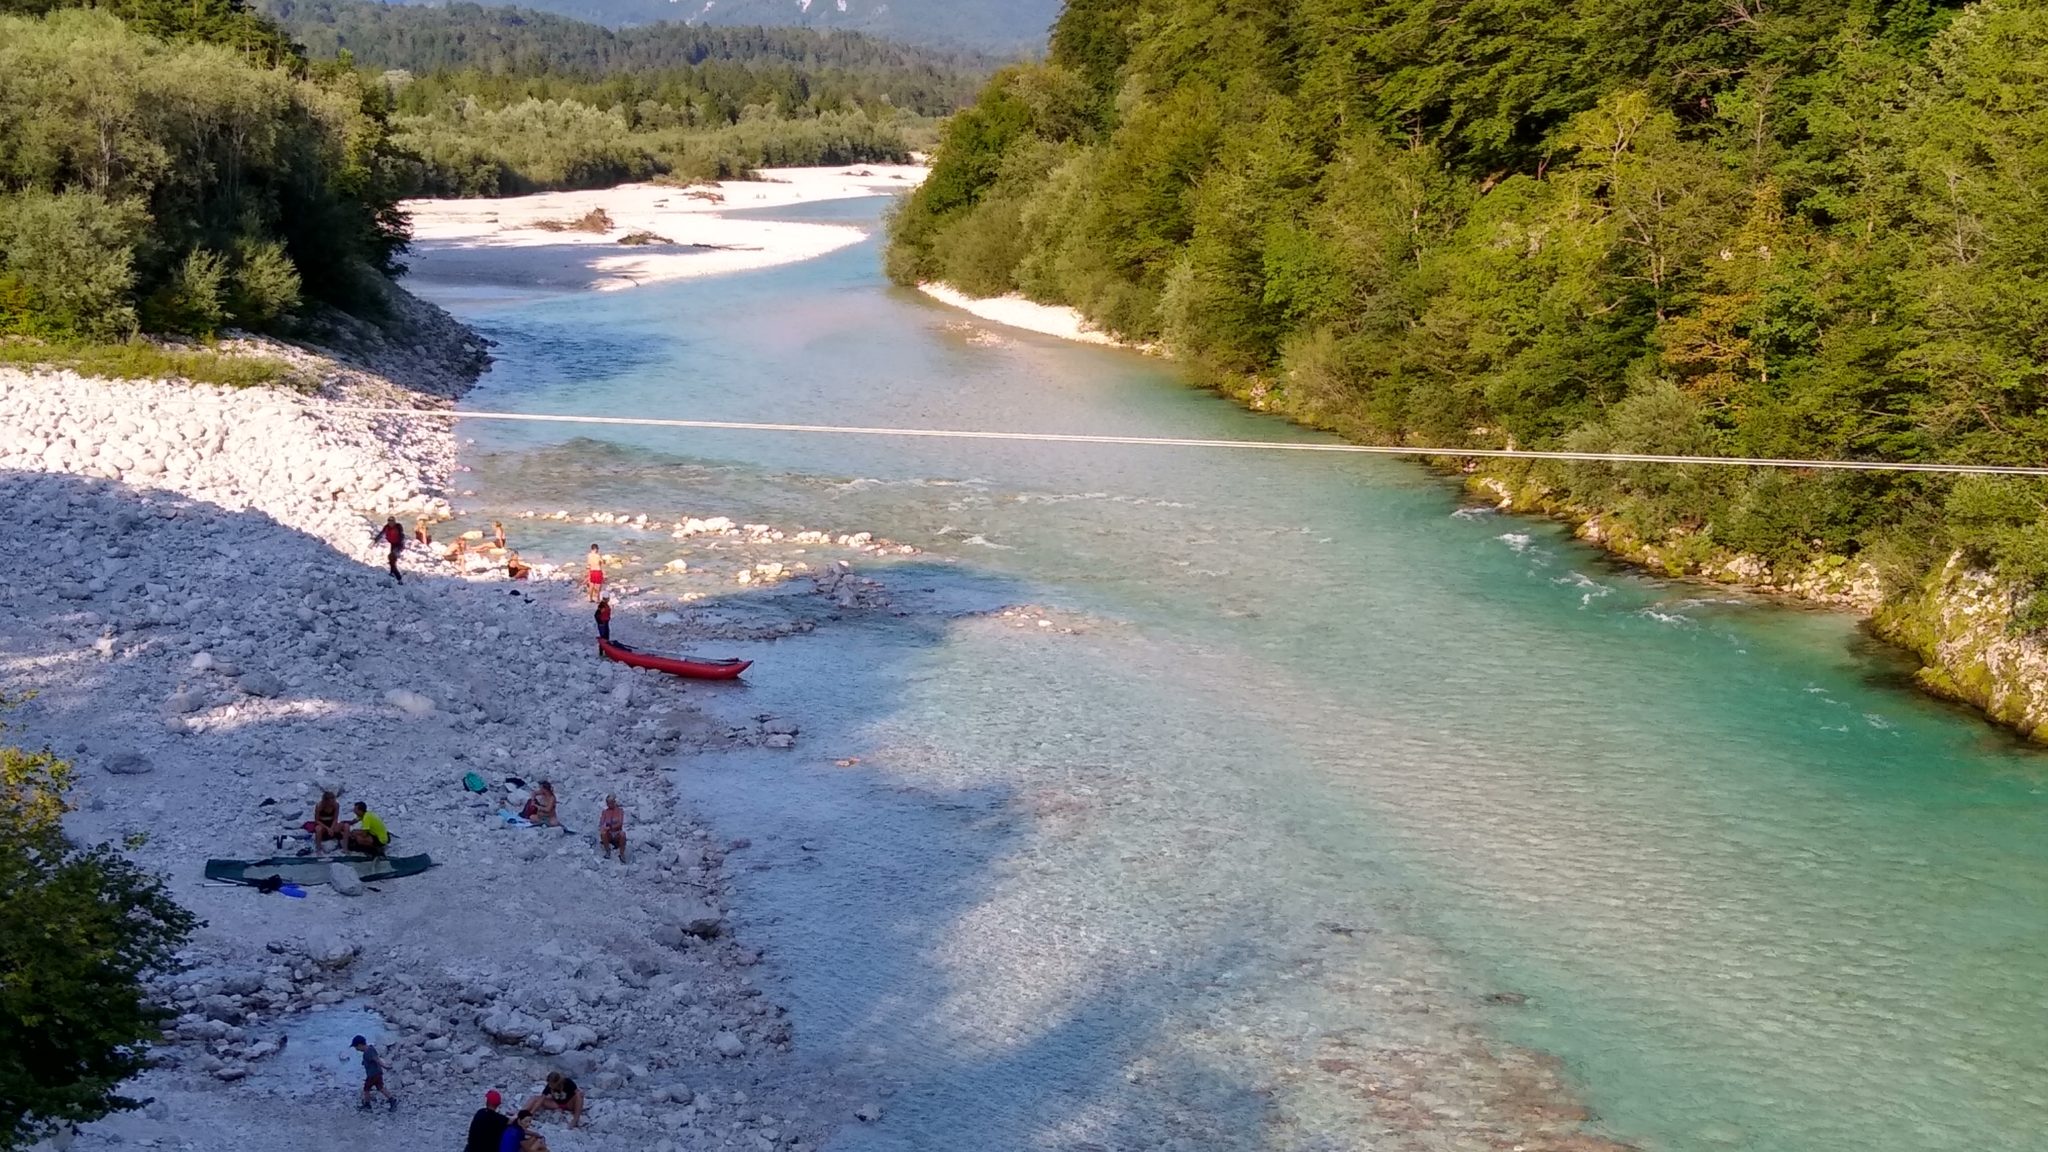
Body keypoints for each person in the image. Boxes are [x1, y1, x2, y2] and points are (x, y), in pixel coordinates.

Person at [351, 1035, 396, 1111]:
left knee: (366, 1089)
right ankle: (392, 1099)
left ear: (360, 1045)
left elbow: (377, 1060)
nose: (356, 1049)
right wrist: (364, 1062)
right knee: (380, 1087)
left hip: (372, 1074)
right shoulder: (370, 1049)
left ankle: (367, 1105)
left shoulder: (368, 1052)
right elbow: (371, 1059)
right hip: (377, 1073)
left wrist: (385, 1067)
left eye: (356, 1047)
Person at [376, 517, 405, 583]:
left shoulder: (398, 527)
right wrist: (375, 541)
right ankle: (392, 573)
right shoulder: (387, 527)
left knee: (391, 558)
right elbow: (381, 534)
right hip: (393, 544)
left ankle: (399, 578)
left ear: (394, 521)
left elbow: (401, 536)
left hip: (398, 545)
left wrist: (400, 546)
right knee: (392, 561)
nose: (391, 523)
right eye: (389, 521)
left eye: (392, 521)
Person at [598, 795, 626, 862]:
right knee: (603, 833)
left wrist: (612, 827)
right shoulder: (605, 812)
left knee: (623, 834)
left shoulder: (620, 811)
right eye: (608, 803)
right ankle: (607, 851)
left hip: (617, 832)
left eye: (610, 802)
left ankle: (622, 854)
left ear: (614, 802)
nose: (609, 804)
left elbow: (620, 823)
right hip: (609, 833)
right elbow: (602, 822)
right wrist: (605, 827)